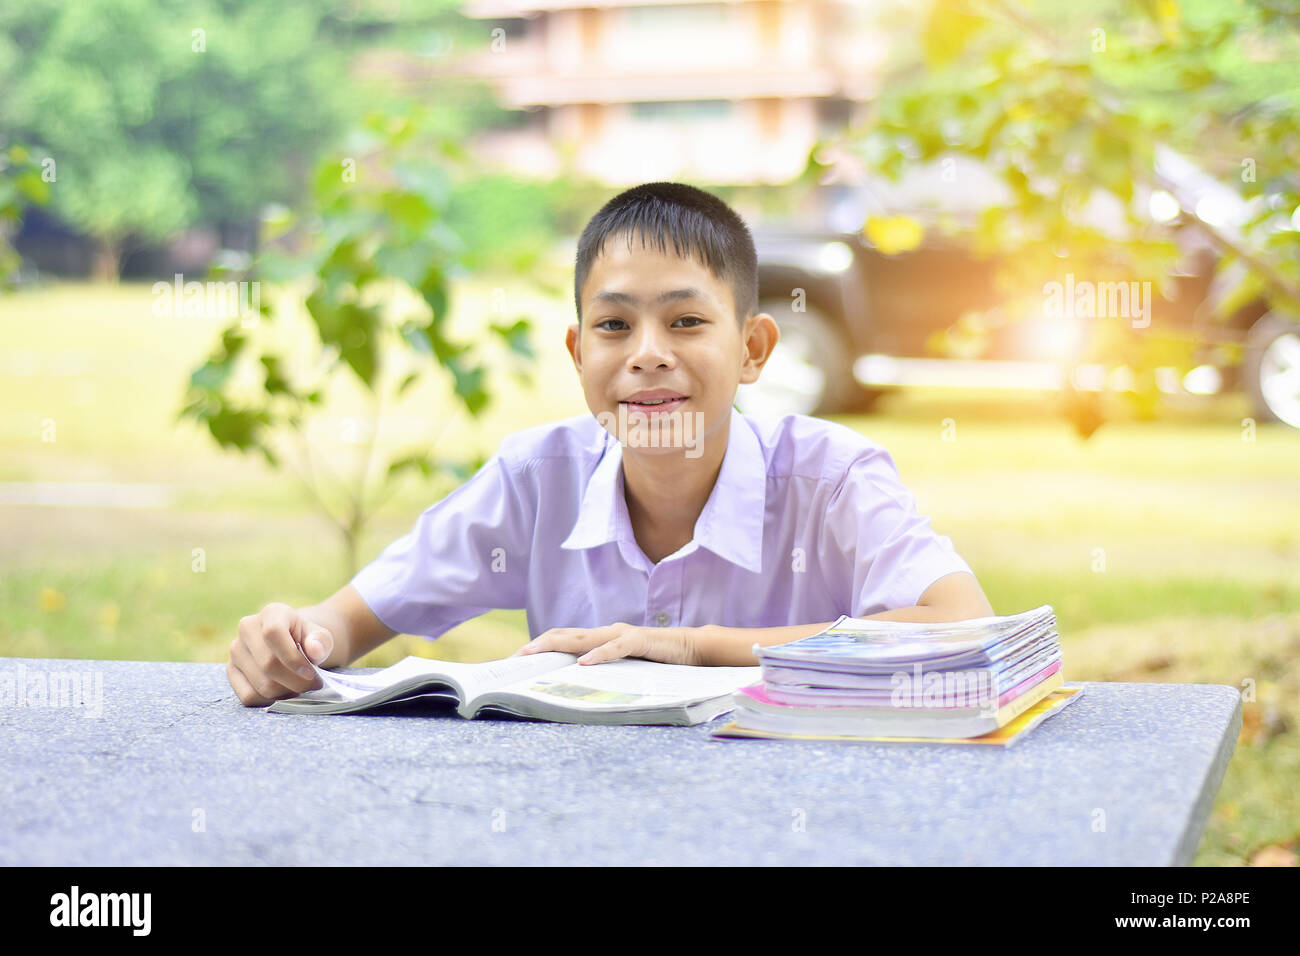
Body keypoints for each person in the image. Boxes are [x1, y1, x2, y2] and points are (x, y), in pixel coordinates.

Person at [227, 182, 993, 707]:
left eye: (686, 322)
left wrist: (700, 648)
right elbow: (348, 621)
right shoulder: (537, 478)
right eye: (614, 325)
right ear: (576, 351)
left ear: (755, 348)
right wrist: (295, 641)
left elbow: (963, 627)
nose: (647, 353)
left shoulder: (829, 478)